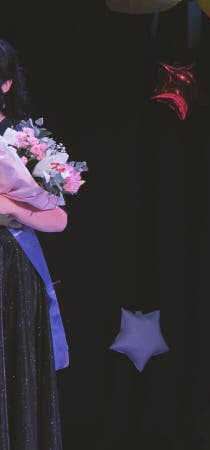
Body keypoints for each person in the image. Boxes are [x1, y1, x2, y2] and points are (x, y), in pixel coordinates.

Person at [0, 39, 68, 450]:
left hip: (11, 278)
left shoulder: (25, 144)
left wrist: (10, 206)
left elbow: (58, 218)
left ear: (5, 84)